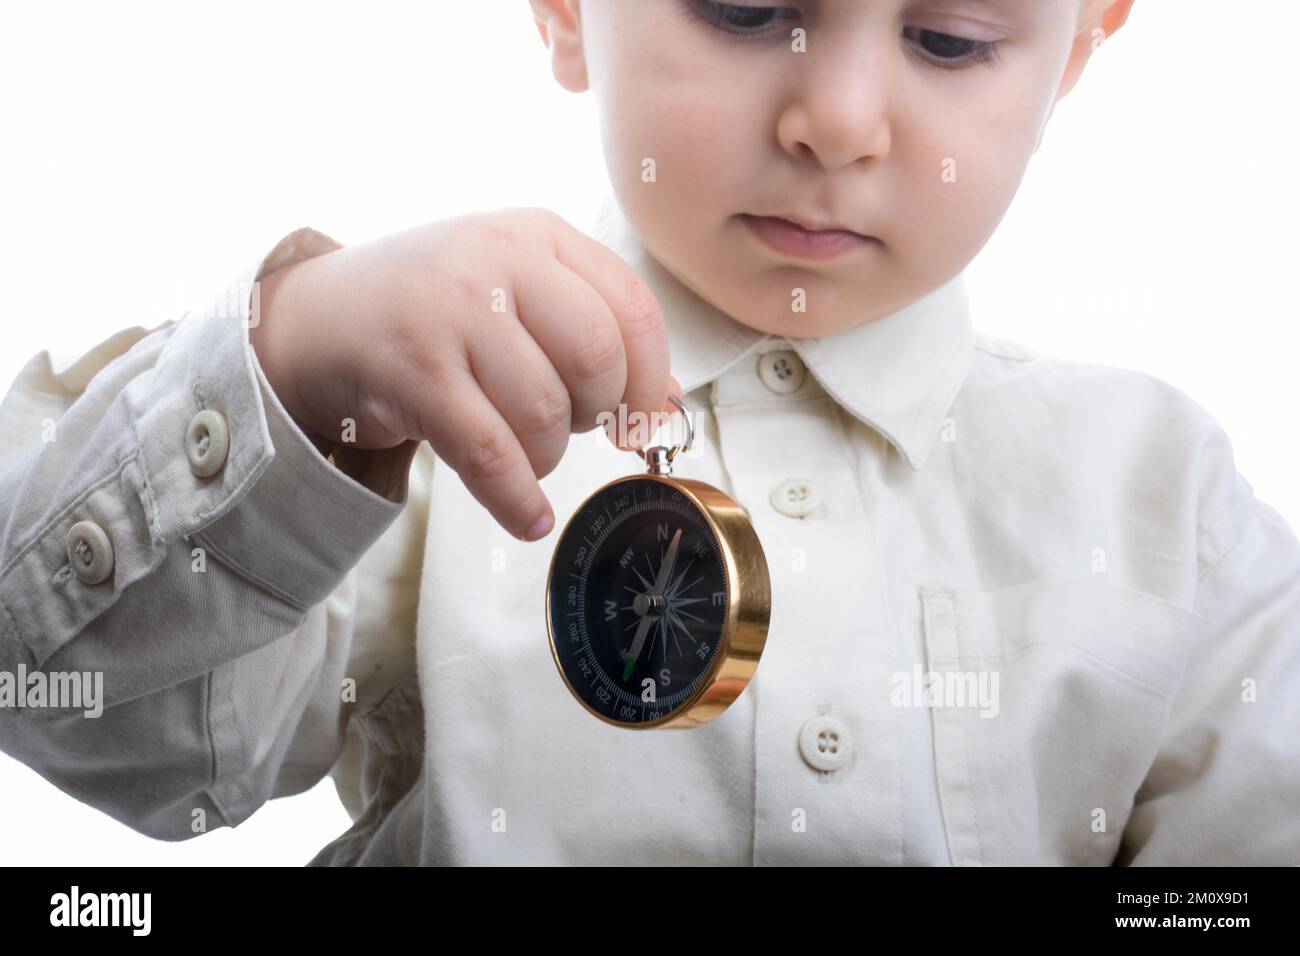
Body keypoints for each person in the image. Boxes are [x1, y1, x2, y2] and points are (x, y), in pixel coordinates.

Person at [1, 0, 1297, 865]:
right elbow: (74, 702)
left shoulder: (1167, 509)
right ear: (568, 10)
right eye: (745, 6)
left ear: (1074, 50)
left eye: (950, 37)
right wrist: (289, 366)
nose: (837, 121)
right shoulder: (412, 429)